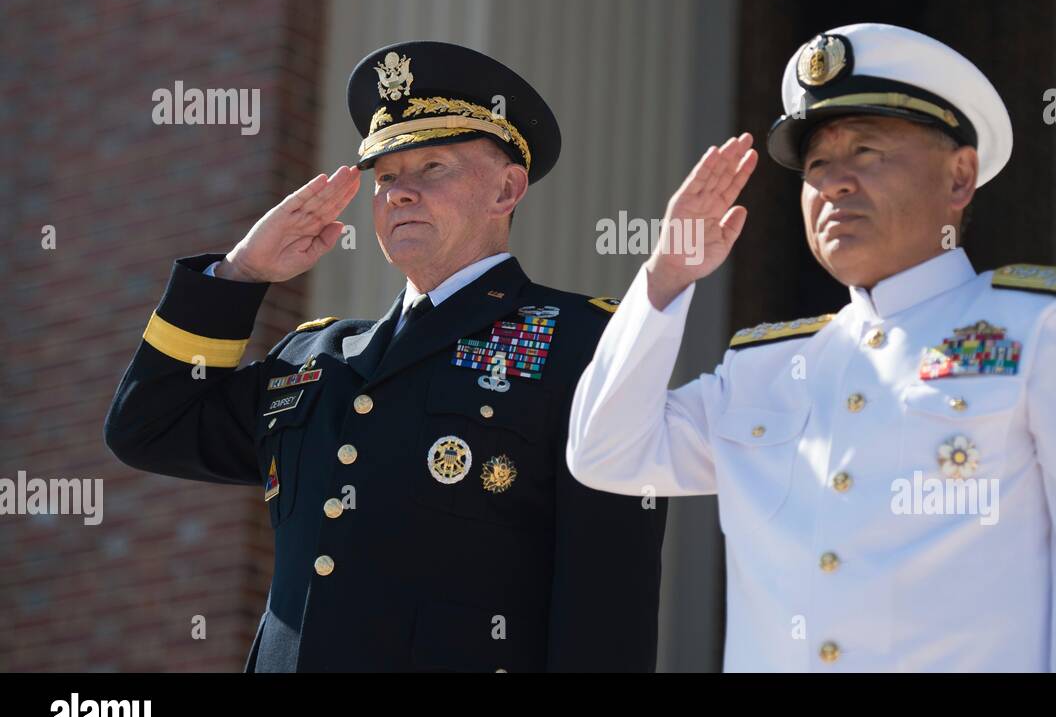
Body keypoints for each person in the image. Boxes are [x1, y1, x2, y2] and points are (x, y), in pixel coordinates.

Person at [567, 22, 1056, 672]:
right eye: (817, 165)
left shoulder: (1046, 328)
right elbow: (604, 454)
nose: (834, 183)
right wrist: (666, 276)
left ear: (960, 177)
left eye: (867, 151)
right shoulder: (766, 367)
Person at [106, 40, 667, 672]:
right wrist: (239, 274)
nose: (400, 193)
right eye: (386, 178)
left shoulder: (584, 342)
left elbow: (607, 595)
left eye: (433, 167)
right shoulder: (314, 357)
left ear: (507, 189)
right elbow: (148, 428)